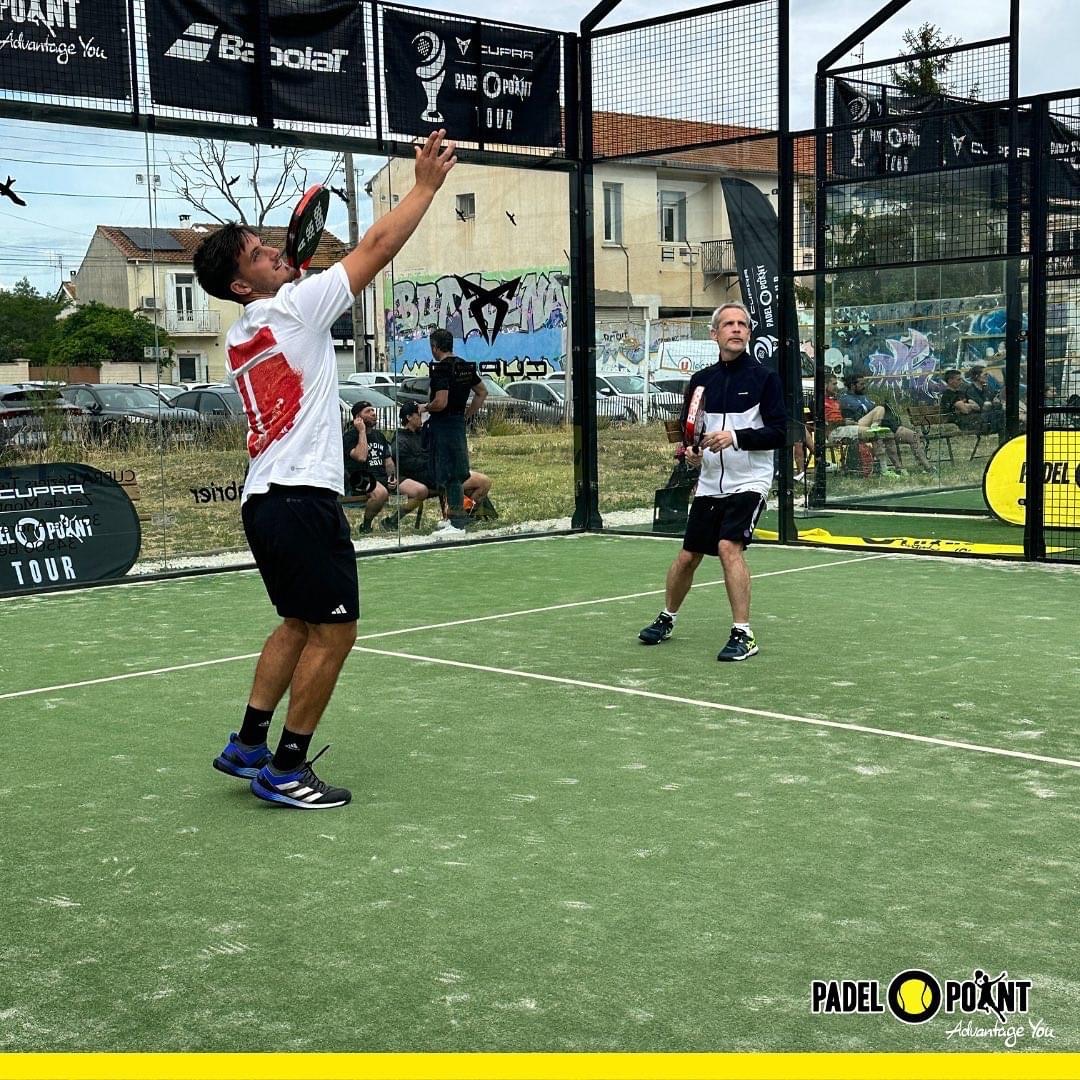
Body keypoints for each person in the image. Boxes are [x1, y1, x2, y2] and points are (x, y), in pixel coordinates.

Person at [194, 129, 457, 810]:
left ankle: (248, 741)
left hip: (264, 502)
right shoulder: (294, 308)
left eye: (269, 245)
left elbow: (296, 295)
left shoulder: (244, 329)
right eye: (259, 254)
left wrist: (292, 276)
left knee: (296, 624)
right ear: (238, 282)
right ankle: (284, 767)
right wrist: (425, 186)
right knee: (335, 633)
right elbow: (376, 249)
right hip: (302, 500)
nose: (275, 253)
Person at [638, 302, 787, 661]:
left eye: (742, 324)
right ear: (714, 333)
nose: (736, 329)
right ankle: (666, 618)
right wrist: (691, 454)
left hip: (750, 481)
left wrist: (735, 437)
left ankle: (743, 634)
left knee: (726, 547)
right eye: (729, 324)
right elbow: (693, 433)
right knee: (688, 556)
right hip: (709, 484)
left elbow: (779, 433)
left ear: (748, 333)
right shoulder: (701, 381)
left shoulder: (765, 378)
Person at [389, 400, 494, 534]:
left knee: (482, 482)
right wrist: (434, 462)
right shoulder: (400, 440)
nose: (422, 417)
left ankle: (461, 515)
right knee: (483, 482)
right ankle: (458, 517)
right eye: (418, 414)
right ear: (409, 417)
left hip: (441, 470)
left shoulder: (424, 432)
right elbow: (407, 465)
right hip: (432, 476)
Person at [423, 328, 487, 530]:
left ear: (434, 347)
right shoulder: (464, 366)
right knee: (458, 470)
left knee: (447, 471)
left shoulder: (440, 369)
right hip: (458, 423)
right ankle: (455, 514)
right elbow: (481, 392)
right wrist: (467, 415)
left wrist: (424, 407)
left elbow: (441, 402)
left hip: (443, 425)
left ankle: (455, 518)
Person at [342, 399, 423, 533]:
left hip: (381, 476)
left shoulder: (379, 435)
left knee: (420, 491)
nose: (373, 413)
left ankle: (392, 521)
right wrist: (362, 432)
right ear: (358, 417)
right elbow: (361, 457)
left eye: (373, 410)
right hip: (360, 477)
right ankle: (366, 526)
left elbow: (388, 461)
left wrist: (392, 476)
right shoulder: (349, 436)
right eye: (368, 411)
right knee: (381, 493)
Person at [839, 373, 933, 473]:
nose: (864, 386)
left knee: (913, 436)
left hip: (885, 425)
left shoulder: (865, 397)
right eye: (861, 384)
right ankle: (899, 468)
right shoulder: (845, 399)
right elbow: (855, 419)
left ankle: (927, 467)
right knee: (887, 435)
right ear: (853, 386)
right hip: (867, 429)